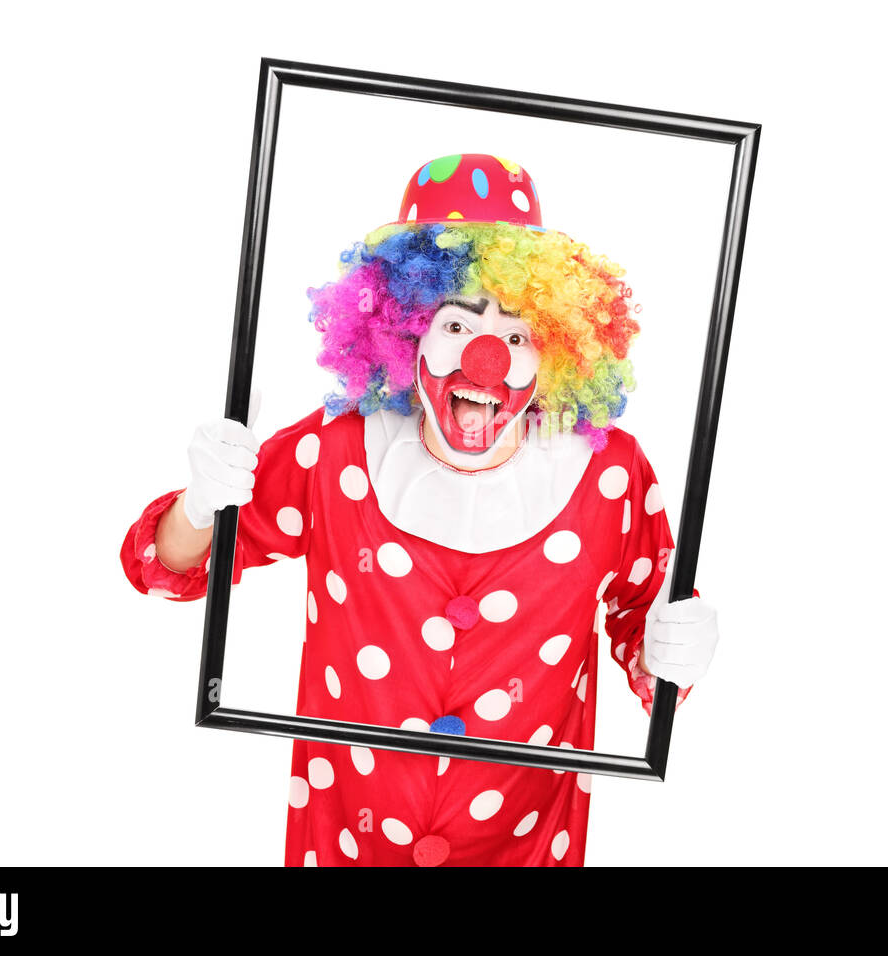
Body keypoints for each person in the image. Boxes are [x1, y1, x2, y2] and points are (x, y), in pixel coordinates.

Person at [119, 154, 720, 866]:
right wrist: (200, 502)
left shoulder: (607, 470)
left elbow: (643, 631)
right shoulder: (336, 449)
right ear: (403, 336)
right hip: (348, 835)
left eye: (519, 335)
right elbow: (169, 567)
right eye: (457, 329)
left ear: (559, 351)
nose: (486, 361)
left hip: (527, 841)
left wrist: (678, 651)